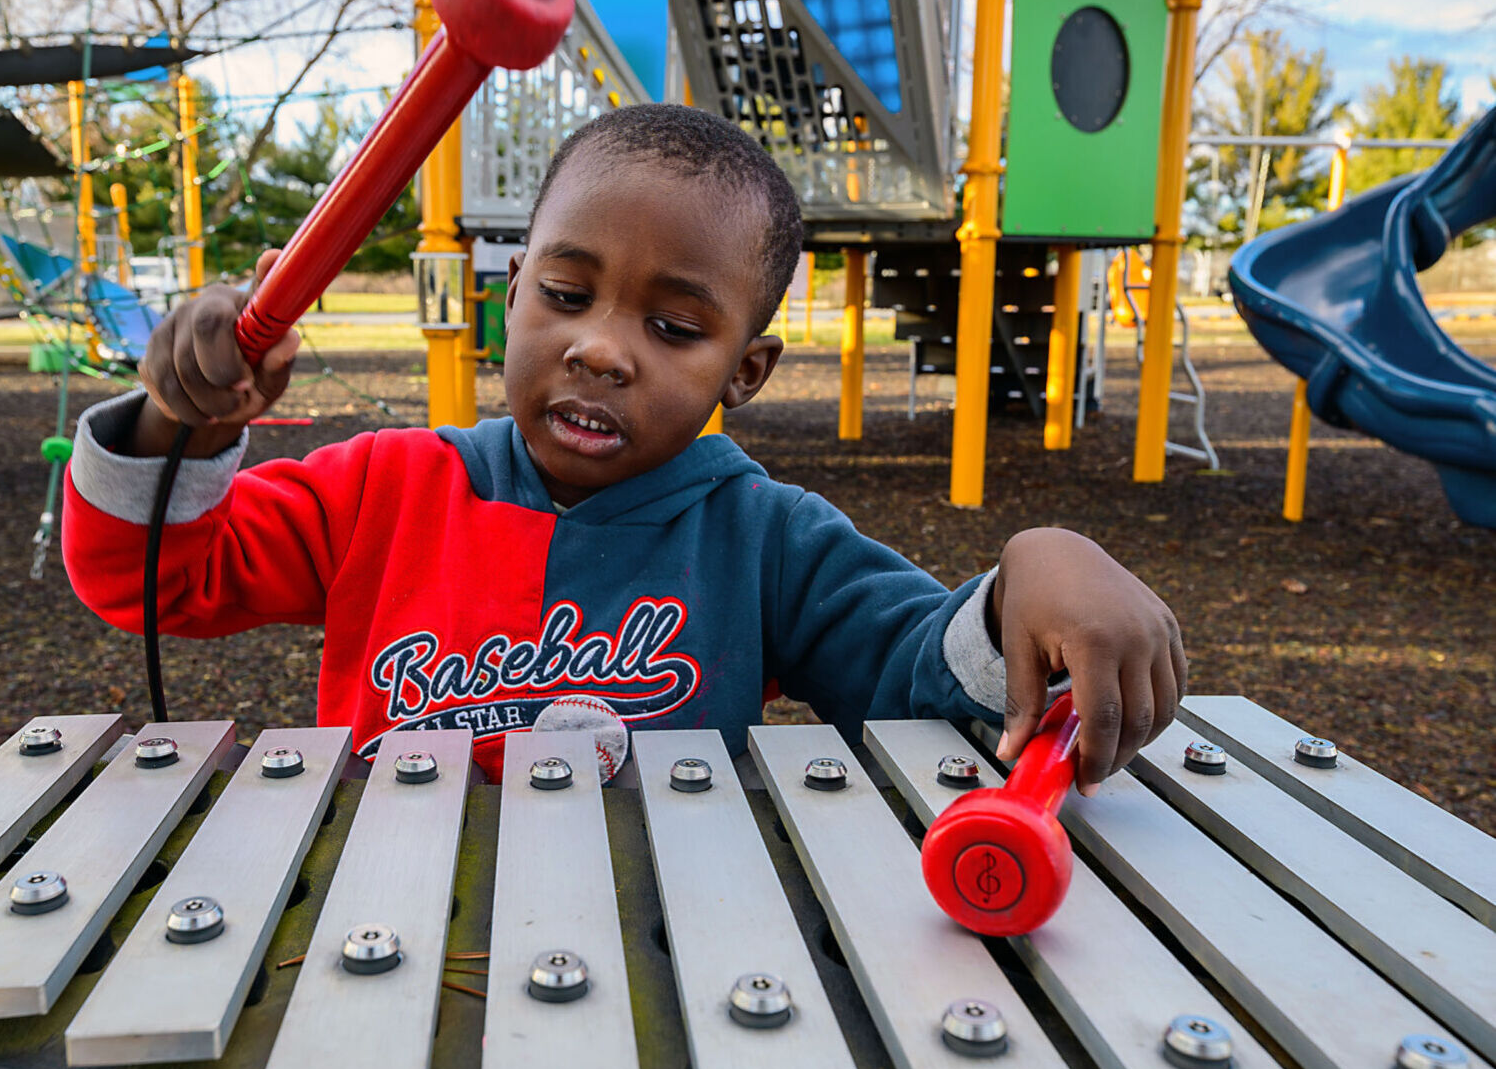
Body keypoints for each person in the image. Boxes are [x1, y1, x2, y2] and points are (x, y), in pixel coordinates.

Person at [63, 104, 1185, 788]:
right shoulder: (387, 489)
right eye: (566, 293)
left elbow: (926, 688)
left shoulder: (767, 539)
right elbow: (150, 577)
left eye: (674, 327)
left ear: (744, 370)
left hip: (666, 961)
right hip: (378, 938)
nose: (601, 350)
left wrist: (1033, 574)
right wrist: (180, 426)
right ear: (514, 296)